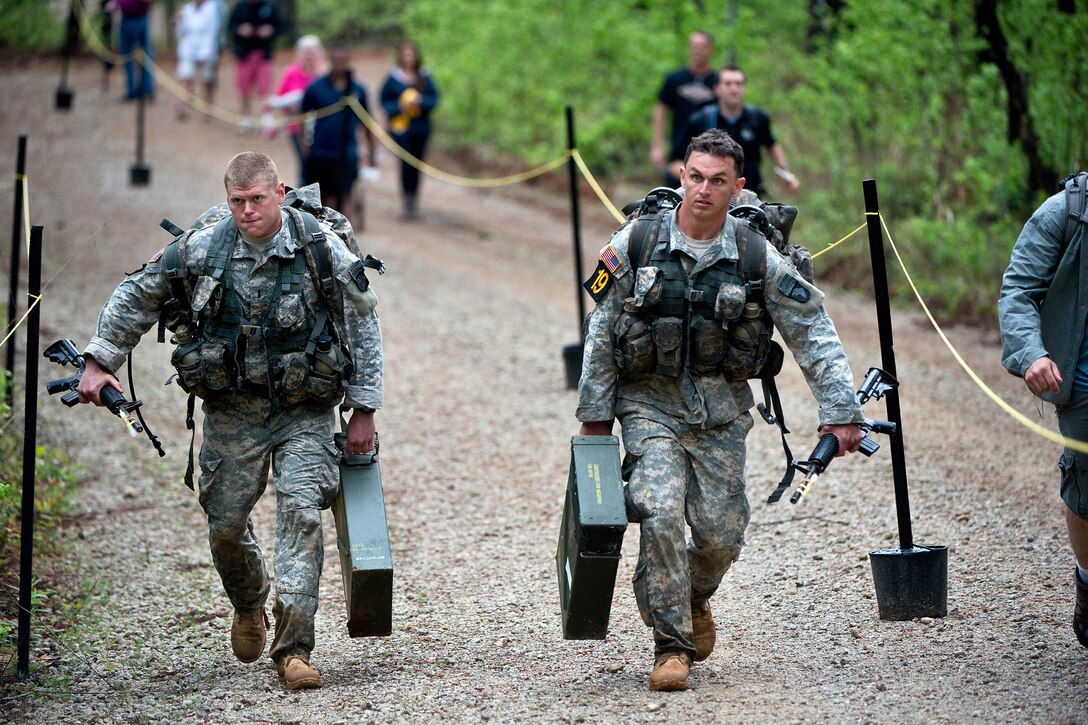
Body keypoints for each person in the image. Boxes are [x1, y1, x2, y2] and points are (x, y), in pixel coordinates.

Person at [75, 151, 384, 691]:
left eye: (257, 200)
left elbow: (363, 320)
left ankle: (294, 650)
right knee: (224, 525)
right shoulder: (202, 248)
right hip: (232, 411)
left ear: (280, 194)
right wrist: (101, 361)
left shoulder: (318, 245)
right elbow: (138, 293)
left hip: (303, 410)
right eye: (237, 201)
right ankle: (248, 602)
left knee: (301, 515)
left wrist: (364, 407)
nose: (247, 212)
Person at [576, 129, 863, 691]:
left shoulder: (757, 255)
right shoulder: (637, 241)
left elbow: (812, 330)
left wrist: (840, 410)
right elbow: (602, 327)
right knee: (657, 509)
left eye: (717, 181)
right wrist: (595, 417)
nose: (703, 190)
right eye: (696, 176)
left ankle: (689, 594)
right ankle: (670, 647)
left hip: (721, 412)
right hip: (649, 405)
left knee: (721, 534)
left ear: (738, 188)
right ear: (682, 175)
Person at [998, 172, 1088, 649]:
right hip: (1083, 378)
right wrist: (1031, 353)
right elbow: (1018, 292)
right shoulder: (1064, 211)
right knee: (1086, 486)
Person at [669, 66, 799, 197]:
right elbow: (675, 161)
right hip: (711, 196)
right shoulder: (701, 120)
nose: (734, 89)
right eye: (728, 84)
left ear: (744, 88)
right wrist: (695, 179)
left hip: (750, 196)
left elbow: (771, 144)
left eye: (739, 84)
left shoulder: (757, 118)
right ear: (717, 88)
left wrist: (785, 172)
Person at [300, 48, 376, 231]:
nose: (340, 64)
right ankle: (323, 229)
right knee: (323, 194)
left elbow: (367, 122)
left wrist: (371, 151)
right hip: (320, 150)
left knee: (345, 191)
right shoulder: (315, 88)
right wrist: (304, 146)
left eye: (344, 59)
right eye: (337, 59)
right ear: (330, 59)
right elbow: (302, 118)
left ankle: (344, 230)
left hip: (348, 151)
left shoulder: (357, 89)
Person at [380, 40, 439, 221]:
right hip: (401, 130)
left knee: (417, 165)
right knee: (405, 164)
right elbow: (384, 101)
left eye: (411, 54)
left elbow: (434, 99)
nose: (408, 57)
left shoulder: (424, 77)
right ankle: (406, 201)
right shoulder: (393, 78)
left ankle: (414, 200)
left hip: (421, 129)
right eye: (405, 54)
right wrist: (400, 106)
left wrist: (420, 101)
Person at [650, 31, 717, 188]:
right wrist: (657, 146)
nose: (697, 51)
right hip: (679, 148)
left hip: (711, 148)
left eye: (702, 47)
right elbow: (660, 111)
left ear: (710, 50)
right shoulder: (675, 79)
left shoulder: (718, 81)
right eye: (694, 46)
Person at [266, 35, 328, 183]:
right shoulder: (291, 72)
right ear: (298, 53)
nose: (309, 55)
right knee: (304, 161)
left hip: (321, 127)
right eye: (305, 51)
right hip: (296, 127)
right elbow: (280, 98)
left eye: (312, 51)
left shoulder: (325, 73)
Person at [228, 0, 282, 128]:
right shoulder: (240, 6)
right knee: (244, 87)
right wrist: (240, 29)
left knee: (265, 86)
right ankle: (245, 118)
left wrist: (271, 30)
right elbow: (231, 26)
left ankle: (266, 118)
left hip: (264, 54)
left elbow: (281, 25)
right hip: (244, 54)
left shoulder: (271, 6)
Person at [174, 0, 221, 120]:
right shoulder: (186, 9)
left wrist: (205, 53)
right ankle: (183, 105)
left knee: (207, 81)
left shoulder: (212, 9)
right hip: (188, 49)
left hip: (207, 51)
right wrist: (178, 22)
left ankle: (207, 108)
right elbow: (182, 31)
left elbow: (212, 32)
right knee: (186, 77)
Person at [110, 0, 155, 101]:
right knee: (126, 56)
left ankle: (147, 90)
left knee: (146, 56)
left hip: (141, 18)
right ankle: (131, 91)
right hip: (125, 19)